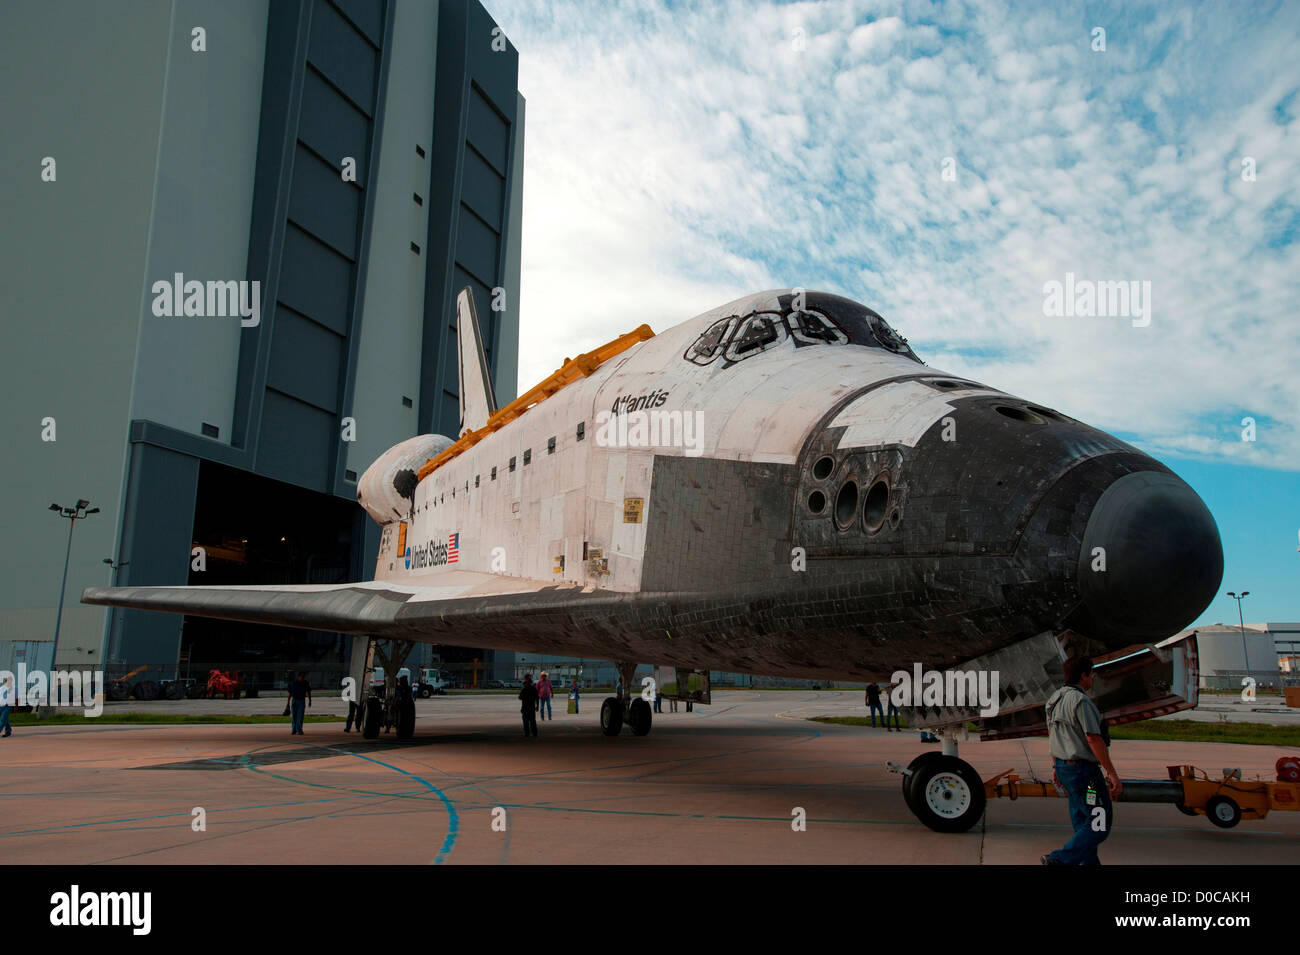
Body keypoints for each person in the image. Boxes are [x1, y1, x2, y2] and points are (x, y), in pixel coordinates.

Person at [1042, 656, 1121, 865]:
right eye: (1091, 673)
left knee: (1084, 823)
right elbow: (1093, 738)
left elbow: (1053, 735)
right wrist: (1112, 774)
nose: (1092, 677)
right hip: (1085, 774)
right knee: (1099, 823)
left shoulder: (1053, 700)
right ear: (1084, 675)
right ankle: (1058, 860)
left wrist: (1055, 767)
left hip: (1064, 768)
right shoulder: (1081, 701)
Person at [287, 671, 312, 735]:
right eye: (301, 677)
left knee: (300, 716)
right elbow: (290, 693)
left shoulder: (305, 683)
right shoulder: (294, 683)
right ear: (298, 677)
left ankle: (299, 730)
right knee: (294, 716)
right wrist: (288, 703)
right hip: (294, 700)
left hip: (301, 701)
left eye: (303, 677)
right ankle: (294, 730)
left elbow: (308, 692)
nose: (302, 678)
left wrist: (310, 701)